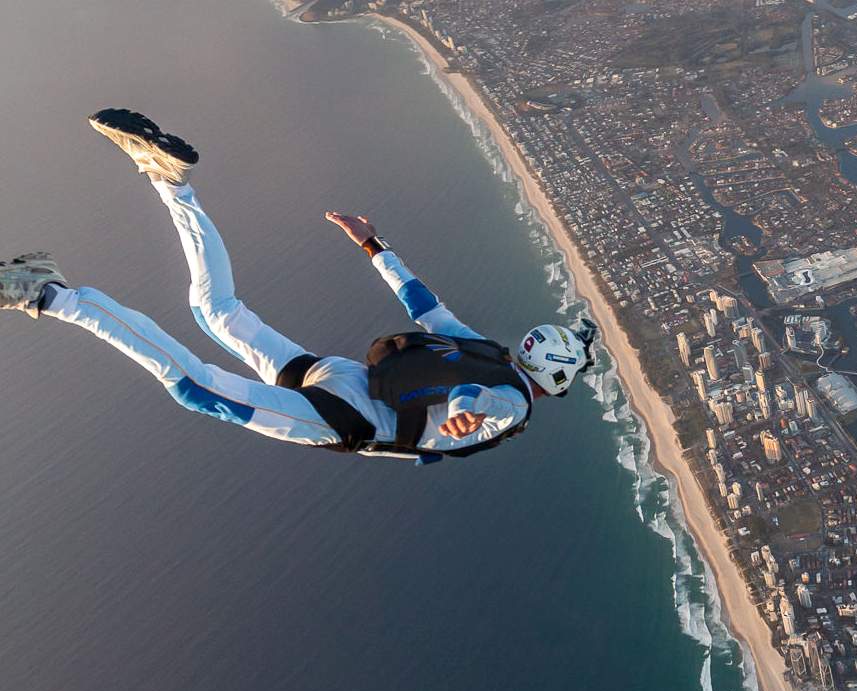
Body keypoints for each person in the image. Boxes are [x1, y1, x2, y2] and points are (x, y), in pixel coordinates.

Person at [0, 109, 596, 462]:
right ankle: (51, 295)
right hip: (347, 415)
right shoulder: (514, 404)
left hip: (340, 377)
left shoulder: (486, 349)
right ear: (555, 382)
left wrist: (371, 243)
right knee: (197, 387)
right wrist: (465, 415)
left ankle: (172, 186)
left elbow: (423, 304)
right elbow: (477, 406)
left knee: (215, 309)